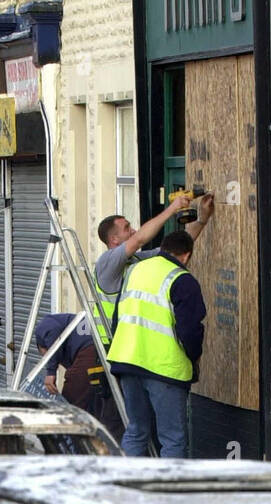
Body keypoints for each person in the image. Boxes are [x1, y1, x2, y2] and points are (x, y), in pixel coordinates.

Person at [107, 228, 205, 460]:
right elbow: (190, 330)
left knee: (136, 431)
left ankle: (124, 488)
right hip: (164, 369)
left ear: (162, 249)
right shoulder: (182, 279)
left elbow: (117, 317)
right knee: (172, 439)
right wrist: (194, 359)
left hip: (128, 362)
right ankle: (170, 494)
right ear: (187, 256)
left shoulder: (134, 270)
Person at [93, 191, 214, 345]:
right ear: (114, 239)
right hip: (111, 344)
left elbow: (176, 248)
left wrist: (202, 220)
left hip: (131, 344)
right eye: (127, 228)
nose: (133, 231)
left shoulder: (137, 261)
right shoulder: (106, 263)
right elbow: (138, 240)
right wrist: (173, 208)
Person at [34, 313, 124, 444]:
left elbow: (52, 333)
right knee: (99, 404)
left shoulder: (44, 327)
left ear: (41, 346)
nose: (55, 361)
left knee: (70, 399)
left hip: (90, 350)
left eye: (46, 356)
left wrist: (51, 371)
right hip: (105, 350)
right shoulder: (70, 332)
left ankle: (66, 441)